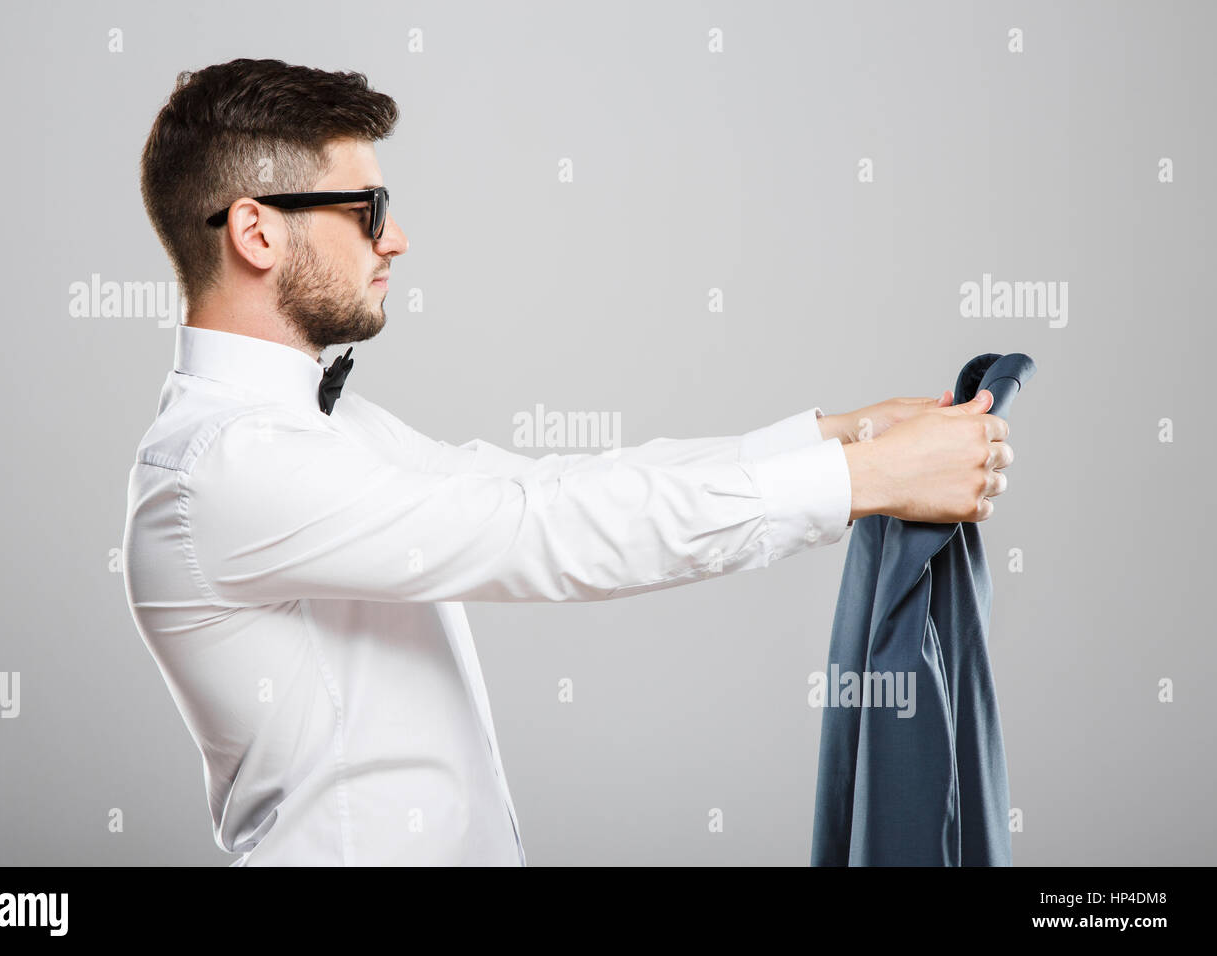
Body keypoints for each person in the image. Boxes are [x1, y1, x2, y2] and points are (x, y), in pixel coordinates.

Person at [122, 58, 1013, 866]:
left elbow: (544, 486)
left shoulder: (329, 428)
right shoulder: (225, 468)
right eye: (369, 212)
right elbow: (543, 534)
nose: (396, 241)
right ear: (257, 232)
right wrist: (867, 483)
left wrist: (838, 438)